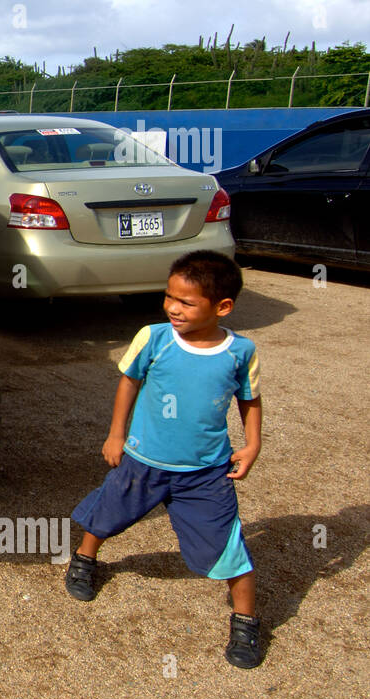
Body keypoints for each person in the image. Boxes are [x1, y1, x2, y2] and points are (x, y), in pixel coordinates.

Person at [64, 250, 264, 669]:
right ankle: (84, 560)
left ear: (222, 306)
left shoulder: (240, 352)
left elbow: (250, 399)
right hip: (142, 460)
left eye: (186, 302)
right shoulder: (153, 338)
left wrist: (252, 445)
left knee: (229, 546)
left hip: (206, 474)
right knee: (107, 513)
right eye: (169, 296)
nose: (172, 307)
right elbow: (128, 383)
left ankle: (246, 620)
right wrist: (116, 434)